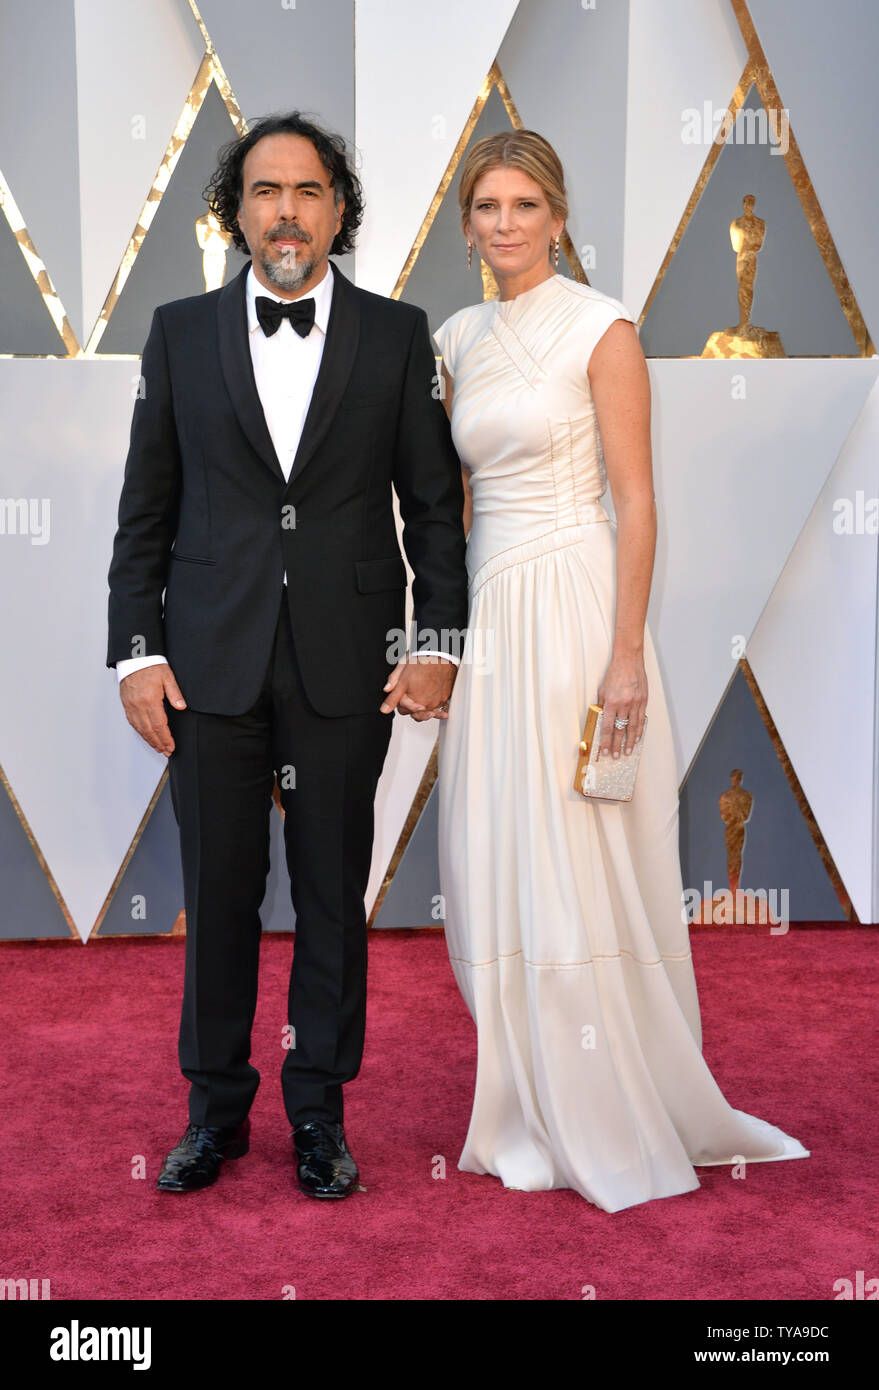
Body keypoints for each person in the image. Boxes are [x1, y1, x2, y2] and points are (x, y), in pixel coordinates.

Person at [427, 130, 809, 1213]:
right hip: (495, 613)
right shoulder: (456, 336)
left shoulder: (606, 328)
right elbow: (453, 503)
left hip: (578, 606)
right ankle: (523, 1104)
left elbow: (637, 499)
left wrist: (628, 654)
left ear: (557, 215)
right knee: (495, 849)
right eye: (487, 207)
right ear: (467, 223)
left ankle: (602, 1099)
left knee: (576, 850)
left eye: (525, 205)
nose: (505, 224)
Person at [107, 113, 468, 1199]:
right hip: (207, 664)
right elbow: (145, 513)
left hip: (343, 662)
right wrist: (134, 653)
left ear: (339, 211)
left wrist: (439, 643)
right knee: (218, 898)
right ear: (237, 211)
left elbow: (435, 512)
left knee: (327, 898)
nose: (287, 212)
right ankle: (213, 1113)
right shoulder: (176, 332)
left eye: (308, 192)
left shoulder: (399, 335)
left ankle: (319, 1112)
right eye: (265, 191)